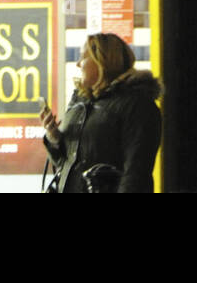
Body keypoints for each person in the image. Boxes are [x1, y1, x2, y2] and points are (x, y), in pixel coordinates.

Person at [39, 33, 162, 193]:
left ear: (102, 61)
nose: (78, 64)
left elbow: (136, 173)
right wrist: (54, 138)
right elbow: (65, 163)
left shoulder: (137, 105)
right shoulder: (80, 102)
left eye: (83, 57)